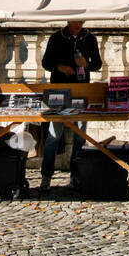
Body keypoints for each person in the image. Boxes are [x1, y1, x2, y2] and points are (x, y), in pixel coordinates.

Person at [39, 19, 102, 191]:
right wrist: (61, 68)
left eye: (81, 21)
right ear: (68, 21)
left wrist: (86, 64)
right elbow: (46, 63)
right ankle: (46, 176)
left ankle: (76, 175)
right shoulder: (56, 38)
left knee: (80, 136)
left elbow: (98, 64)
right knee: (54, 135)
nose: (78, 24)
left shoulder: (90, 39)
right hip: (59, 92)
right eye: (76, 21)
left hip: (82, 92)